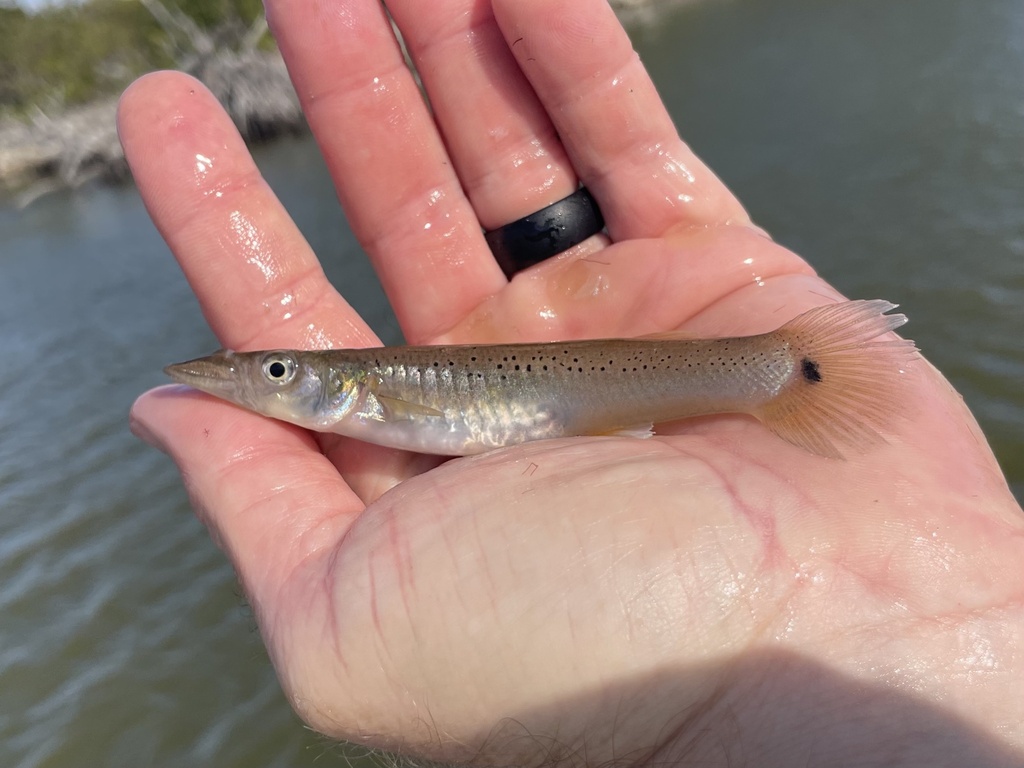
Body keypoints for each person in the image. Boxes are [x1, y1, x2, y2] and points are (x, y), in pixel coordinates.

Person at [121, 0, 1024, 764]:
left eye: (280, 372)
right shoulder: (368, 401)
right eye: (274, 371)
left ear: (328, 385)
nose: (271, 379)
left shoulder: (369, 397)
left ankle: (772, 370)